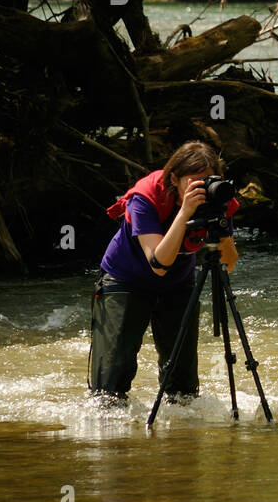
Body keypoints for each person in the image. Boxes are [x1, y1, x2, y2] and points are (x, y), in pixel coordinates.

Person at [88, 141, 240, 402]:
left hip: (178, 283)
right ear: (174, 178)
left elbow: (229, 262)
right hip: (125, 279)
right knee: (111, 380)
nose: (201, 189)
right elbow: (158, 264)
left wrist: (220, 220)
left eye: (208, 180)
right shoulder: (146, 197)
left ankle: (179, 437)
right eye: (194, 181)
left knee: (183, 385)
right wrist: (185, 213)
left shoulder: (218, 198)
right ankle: (111, 434)